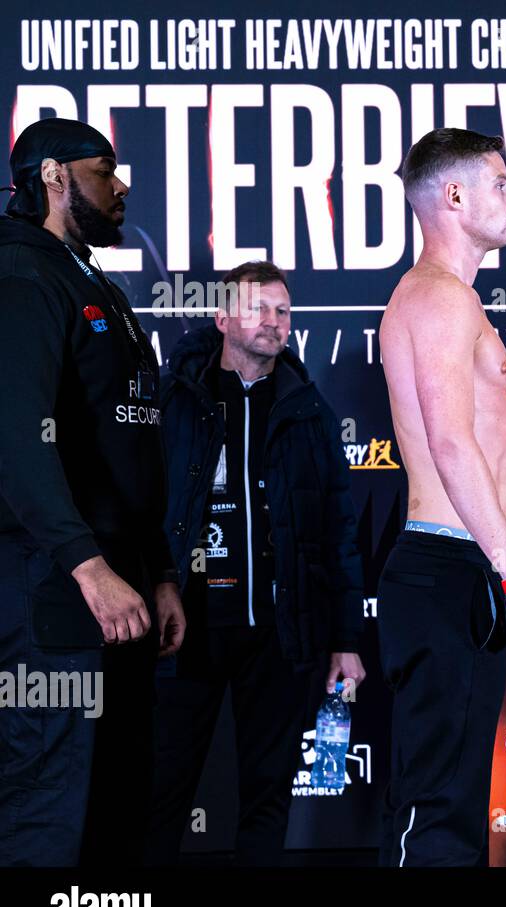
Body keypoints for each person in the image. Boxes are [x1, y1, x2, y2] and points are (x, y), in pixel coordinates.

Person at [0, 117, 184, 865]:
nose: (122, 186)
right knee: (52, 804)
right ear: (52, 178)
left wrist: (161, 571)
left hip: (122, 586)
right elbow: (16, 441)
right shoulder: (21, 277)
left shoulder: (89, 279)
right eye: (104, 171)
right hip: (55, 588)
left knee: (116, 800)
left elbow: (127, 452)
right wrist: (87, 567)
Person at [377, 128, 506, 867]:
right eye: (501, 183)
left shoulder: (451, 299)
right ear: (454, 196)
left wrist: (498, 568)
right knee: (438, 812)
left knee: (454, 799)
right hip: (446, 566)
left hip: (462, 567)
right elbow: (450, 442)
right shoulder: (436, 298)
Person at [145, 260, 366, 866]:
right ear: (222, 319)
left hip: (278, 632)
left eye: (282, 310)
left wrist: (346, 640)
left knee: (268, 795)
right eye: (257, 308)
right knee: (163, 789)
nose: (272, 322)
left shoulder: (308, 411)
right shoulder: (176, 401)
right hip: (187, 628)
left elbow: (337, 528)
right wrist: (160, 584)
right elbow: (146, 509)